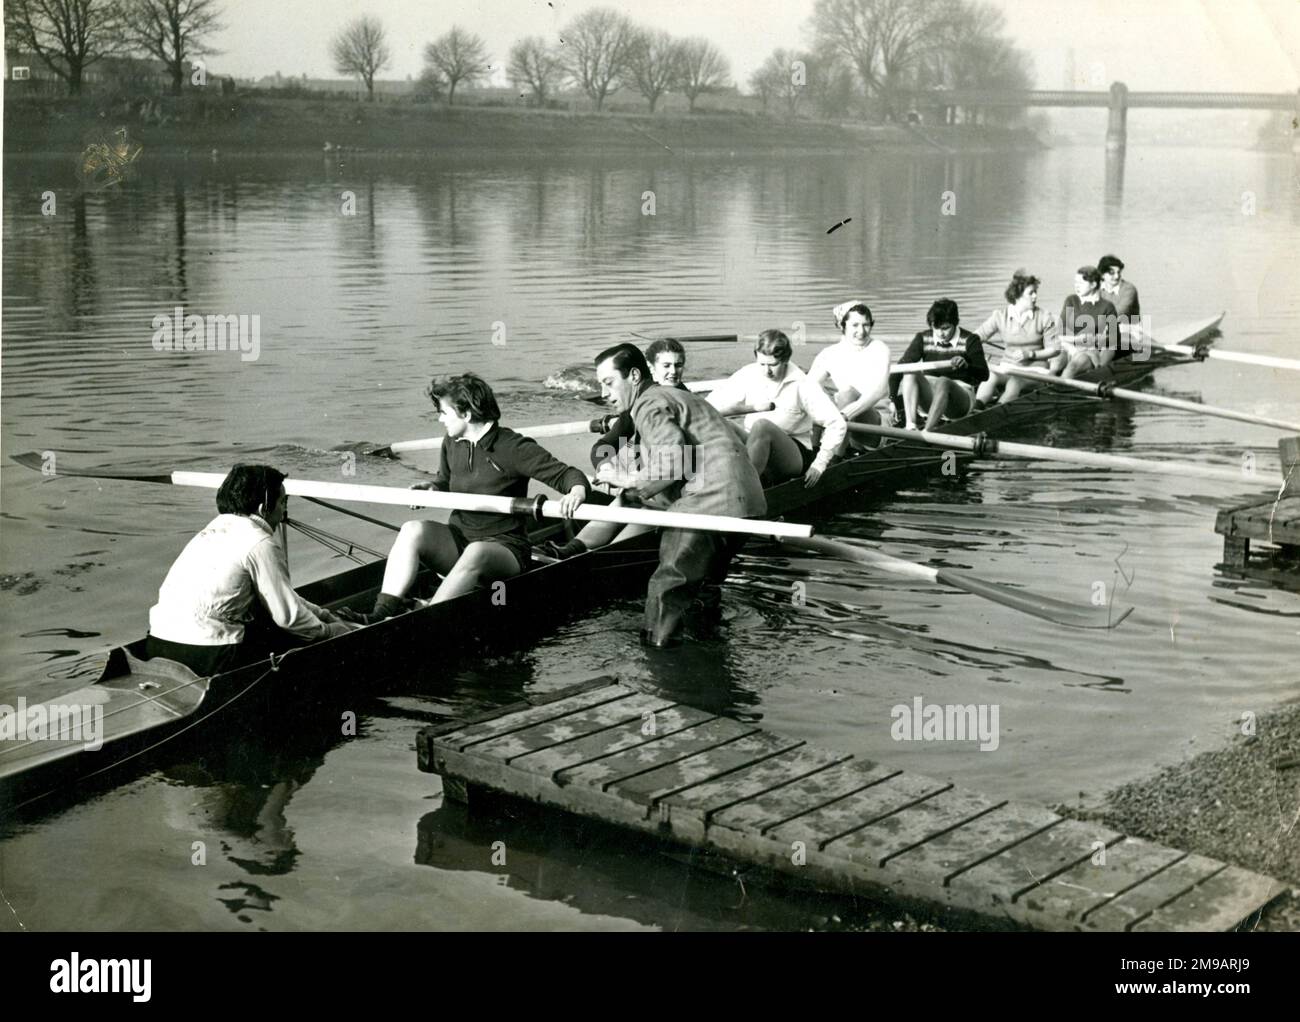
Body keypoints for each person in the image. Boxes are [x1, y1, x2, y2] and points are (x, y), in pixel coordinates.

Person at [343, 374, 590, 623]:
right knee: (411, 530)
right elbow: (444, 481)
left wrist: (576, 491)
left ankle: (424, 621)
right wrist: (433, 488)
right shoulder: (452, 442)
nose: (440, 419)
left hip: (505, 549)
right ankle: (380, 615)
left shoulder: (513, 447)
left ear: (467, 414)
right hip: (460, 538)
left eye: (443, 413)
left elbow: (568, 475)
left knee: (476, 551)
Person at [593, 342, 766, 647]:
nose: (604, 393)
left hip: (710, 504)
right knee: (703, 590)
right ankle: (707, 654)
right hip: (748, 502)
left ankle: (659, 665)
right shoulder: (680, 396)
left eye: (609, 383)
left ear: (634, 376)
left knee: (666, 589)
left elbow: (674, 462)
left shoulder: (648, 404)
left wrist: (626, 479)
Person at [146, 463, 359, 675]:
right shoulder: (260, 542)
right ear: (262, 508)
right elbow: (288, 618)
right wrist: (332, 631)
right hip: (208, 654)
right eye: (283, 502)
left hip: (157, 645)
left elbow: (284, 599)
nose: (284, 510)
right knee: (296, 639)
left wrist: (324, 614)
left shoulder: (212, 529)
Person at [545, 338, 690, 560]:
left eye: (678, 365)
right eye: (667, 366)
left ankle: (602, 556)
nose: (673, 372)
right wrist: (607, 470)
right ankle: (575, 549)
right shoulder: (640, 404)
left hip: (681, 492)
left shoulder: (670, 402)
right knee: (626, 497)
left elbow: (679, 463)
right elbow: (603, 447)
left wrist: (633, 480)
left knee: (635, 503)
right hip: (654, 487)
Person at [705, 328, 846, 487]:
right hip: (756, 445)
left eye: (773, 365)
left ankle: (741, 488)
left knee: (762, 426)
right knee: (721, 424)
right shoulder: (748, 373)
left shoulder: (803, 384)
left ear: (785, 360)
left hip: (793, 454)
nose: (766, 371)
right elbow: (710, 404)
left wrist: (819, 464)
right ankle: (714, 480)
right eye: (762, 364)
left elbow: (837, 423)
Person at [807, 300, 894, 453]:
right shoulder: (828, 354)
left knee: (847, 393)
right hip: (844, 420)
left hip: (877, 425)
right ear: (842, 326)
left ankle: (834, 458)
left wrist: (844, 415)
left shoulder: (879, 349)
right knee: (816, 393)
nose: (861, 331)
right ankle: (812, 451)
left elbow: (879, 392)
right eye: (855, 325)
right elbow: (808, 388)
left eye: (866, 325)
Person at [893, 299, 989, 429]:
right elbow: (901, 367)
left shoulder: (970, 340)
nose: (940, 334)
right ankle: (911, 426)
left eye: (945, 328)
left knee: (943, 381)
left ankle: (927, 432)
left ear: (955, 323)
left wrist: (967, 366)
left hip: (959, 401)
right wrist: (892, 398)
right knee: (910, 370)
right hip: (930, 395)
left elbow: (984, 375)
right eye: (936, 328)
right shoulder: (923, 338)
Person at [973, 270, 1064, 407]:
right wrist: (976, 354)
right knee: (990, 375)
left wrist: (1031, 354)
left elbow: (1055, 349)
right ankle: (976, 408)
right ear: (1017, 296)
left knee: (1016, 381)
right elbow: (974, 338)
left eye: (1035, 292)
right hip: (1007, 367)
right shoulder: (999, 316)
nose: (1035, 296)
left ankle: (998, 410)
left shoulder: (1044, 317)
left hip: (1036, 371)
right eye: (1031, 293)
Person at [1060, 265, 1122, 379]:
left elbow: (1115, 339)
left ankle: (1058, 389)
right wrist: (1079, 339)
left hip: (1092, 351)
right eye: (1075, 282)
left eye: (1080, 283)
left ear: (1093, 285)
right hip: (1070, 346)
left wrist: (1096, 340)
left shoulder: (1107, 307)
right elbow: (1061, 334)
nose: (1076, 286)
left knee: (1072, 368)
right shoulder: (1071, 300)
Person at [1098, 254, 1140, 320]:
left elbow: (1119, 312)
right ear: (1102, 274)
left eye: (1118, 272)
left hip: (1128, 328)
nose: (1117, 276)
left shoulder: (1129, 289)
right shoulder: (1096, 289)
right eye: (1112, 273)